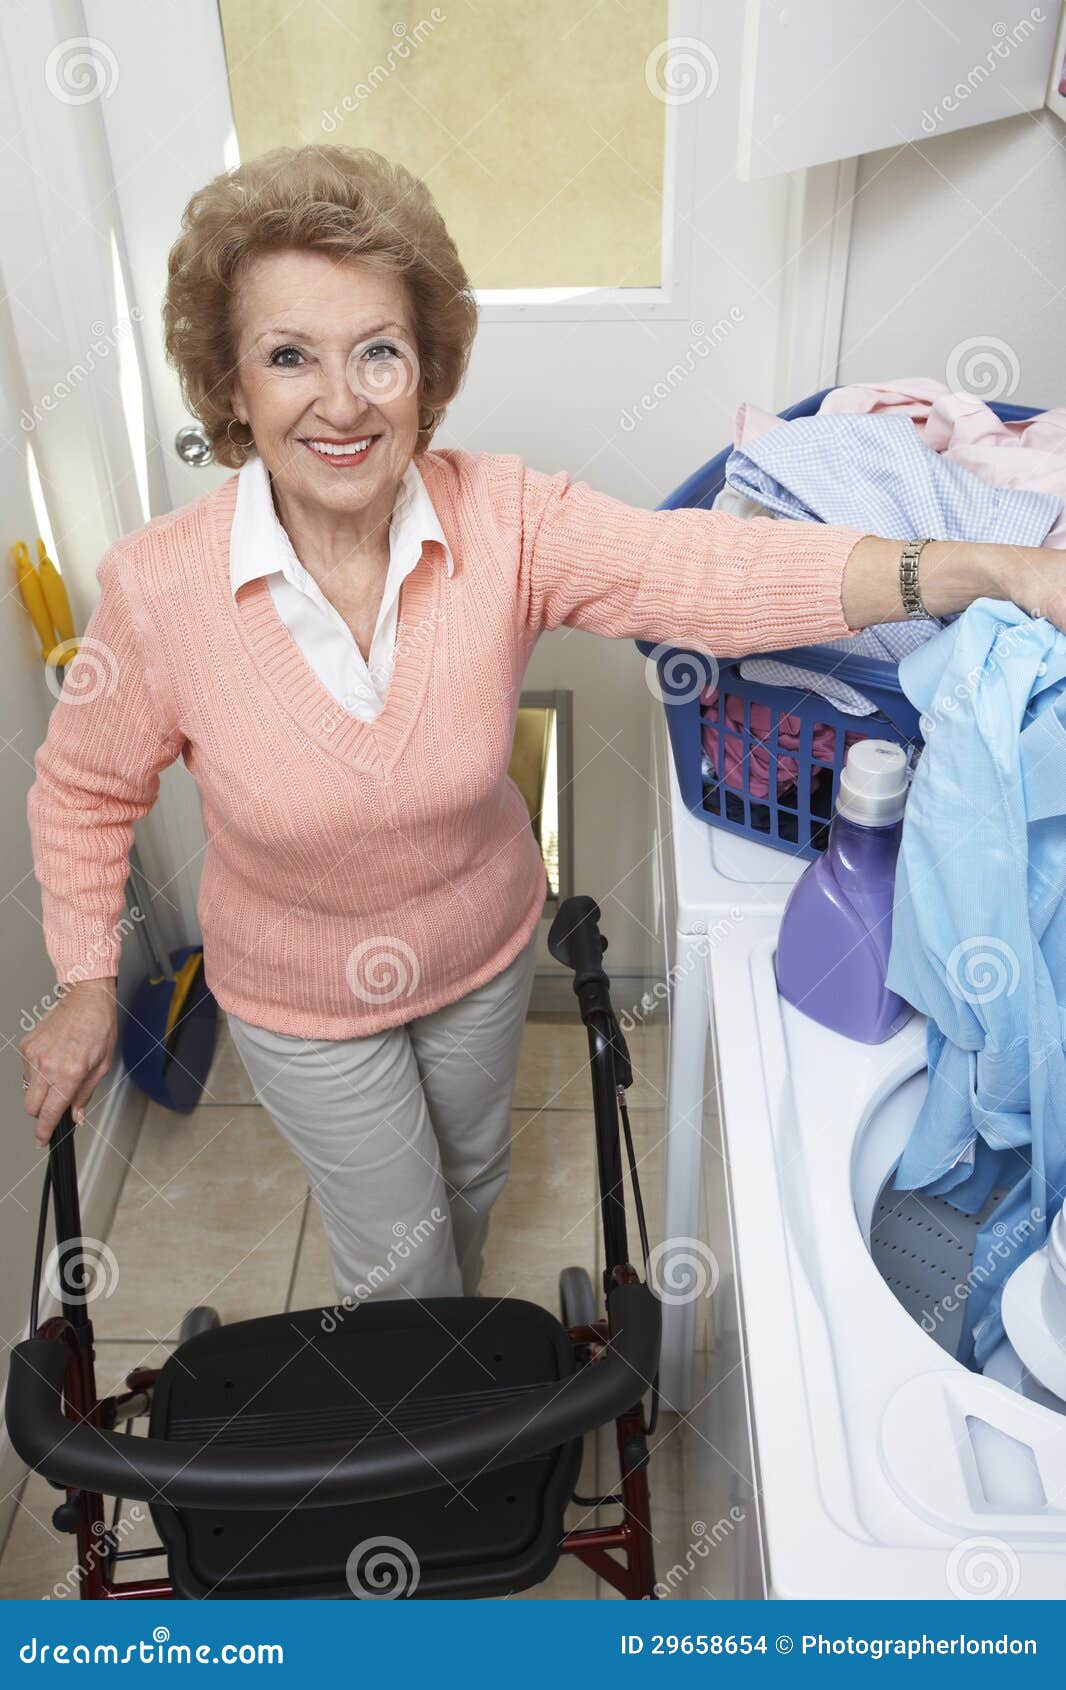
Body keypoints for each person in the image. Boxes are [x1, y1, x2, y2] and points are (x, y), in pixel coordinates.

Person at [20, 145, 1066, 1304]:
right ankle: (429, 1429)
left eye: (379, 350)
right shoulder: (159, 591)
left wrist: (980, 566)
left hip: (483, 949)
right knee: (399, 1257)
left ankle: (456, 1358)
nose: (342, 400)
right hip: (301, 999)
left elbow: (703, 568)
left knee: (474, 1177)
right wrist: (77, 981)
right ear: (230, 387)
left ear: (426, 370)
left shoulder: (504, 518)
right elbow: (83, 789)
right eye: (286, 357)